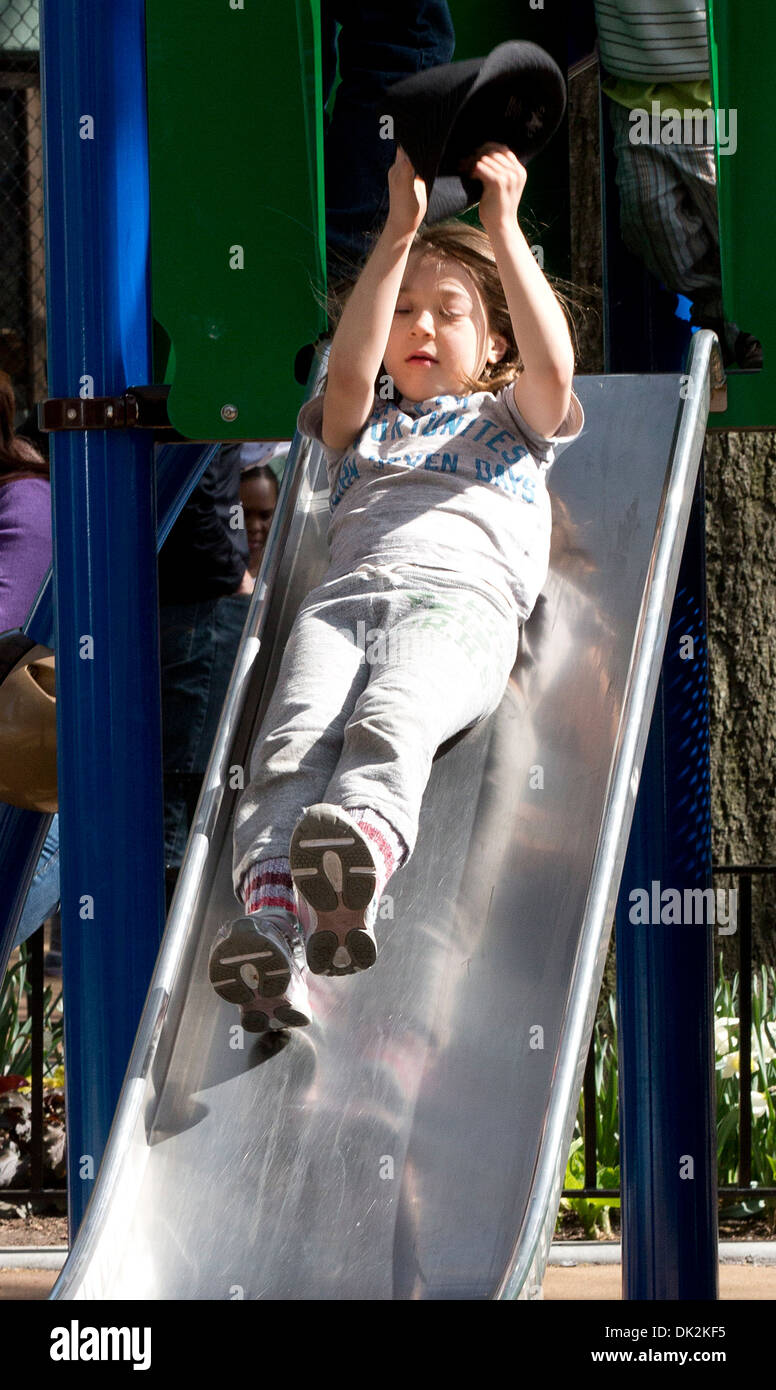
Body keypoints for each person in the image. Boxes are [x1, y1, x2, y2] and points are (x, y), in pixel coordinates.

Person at [208, 143, 584, 1034]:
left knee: (394, 718)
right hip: (339, 609)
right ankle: (275, 936)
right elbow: (345, 370)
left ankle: (355, 866)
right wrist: (398, 234)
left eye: (447, 313)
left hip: (456, 607)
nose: (419, 326)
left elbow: (556, 371)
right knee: (290, 750)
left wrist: (502, 226)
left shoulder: (513, 422)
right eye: (405, 311)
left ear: (494, 343)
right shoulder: (361, 426)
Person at [594, 0, 762, 369]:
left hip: (711, 88)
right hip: (637, 88)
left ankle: (737, 321)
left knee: (729, 220)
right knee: (647, 213)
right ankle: (721, 313)